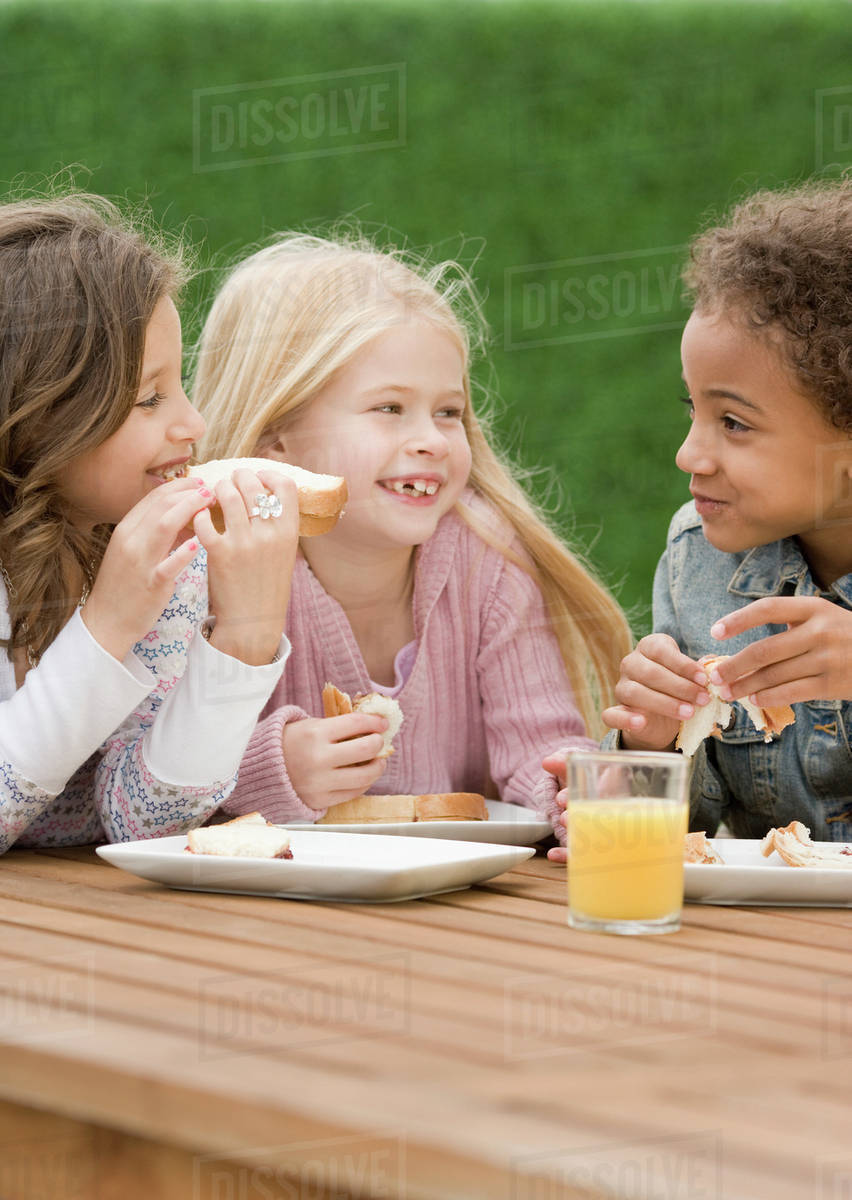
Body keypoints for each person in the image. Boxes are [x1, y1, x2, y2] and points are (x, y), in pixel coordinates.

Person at [191, 231, 631, 835]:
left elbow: (539, 741)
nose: (431, 438)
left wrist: (569, 787)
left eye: (448, 412)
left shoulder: (487, 559)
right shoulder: (216, 564)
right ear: (277, 440)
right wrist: (278, 767)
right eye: (389, 409)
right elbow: (163, 777)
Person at [548, 179, 852, 860]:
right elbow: (690, 832)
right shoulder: (700, 558)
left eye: (734, 423)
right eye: (693, 409)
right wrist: (646, 746)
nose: (690, 453)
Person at [0, 192, 300, 854]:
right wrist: (105, 628)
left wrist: (243, 640)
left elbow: (146, 825)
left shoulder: (167, 563)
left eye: (181, 385)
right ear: (37, 414)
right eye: (148, 398)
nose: (192, 425)